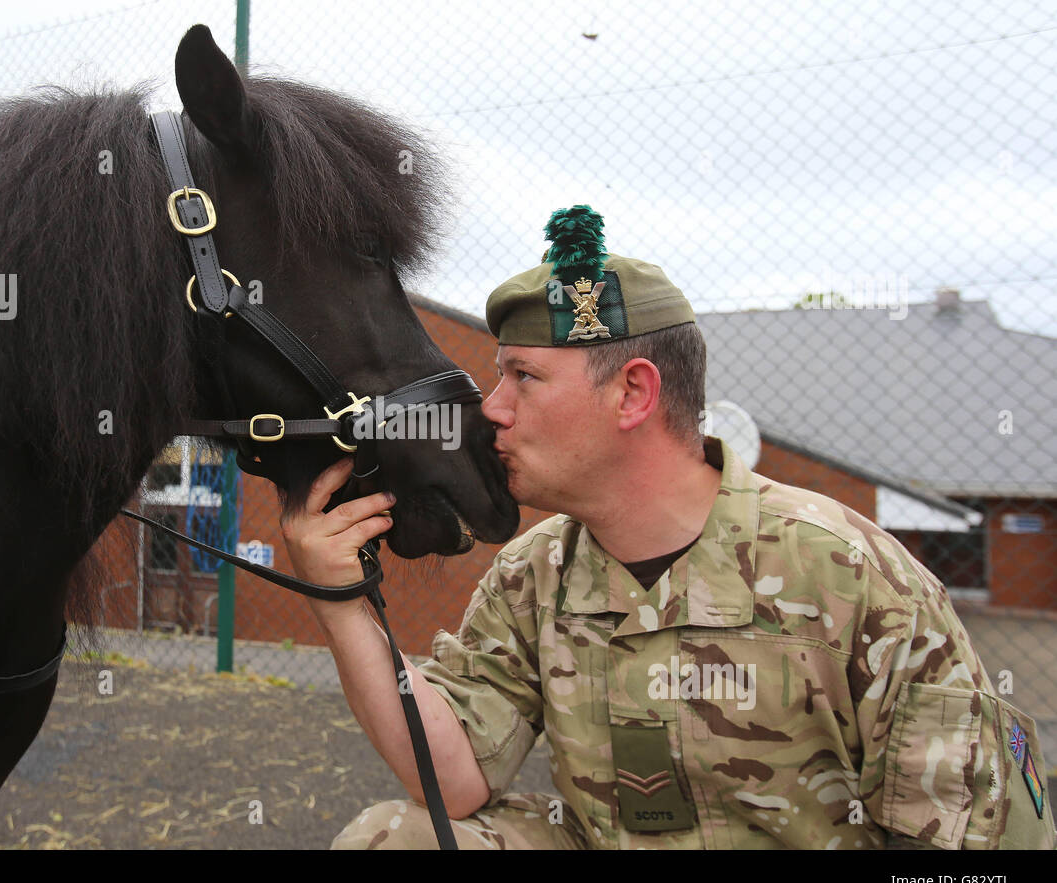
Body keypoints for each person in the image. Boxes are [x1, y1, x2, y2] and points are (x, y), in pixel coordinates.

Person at [280, 205, 1054, 849]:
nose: (492, 407)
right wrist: (342, 603)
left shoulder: (849, 575)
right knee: (396, 840)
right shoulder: (535, 573)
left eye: (523, 376)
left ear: (633, 394)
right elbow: (451, 777)